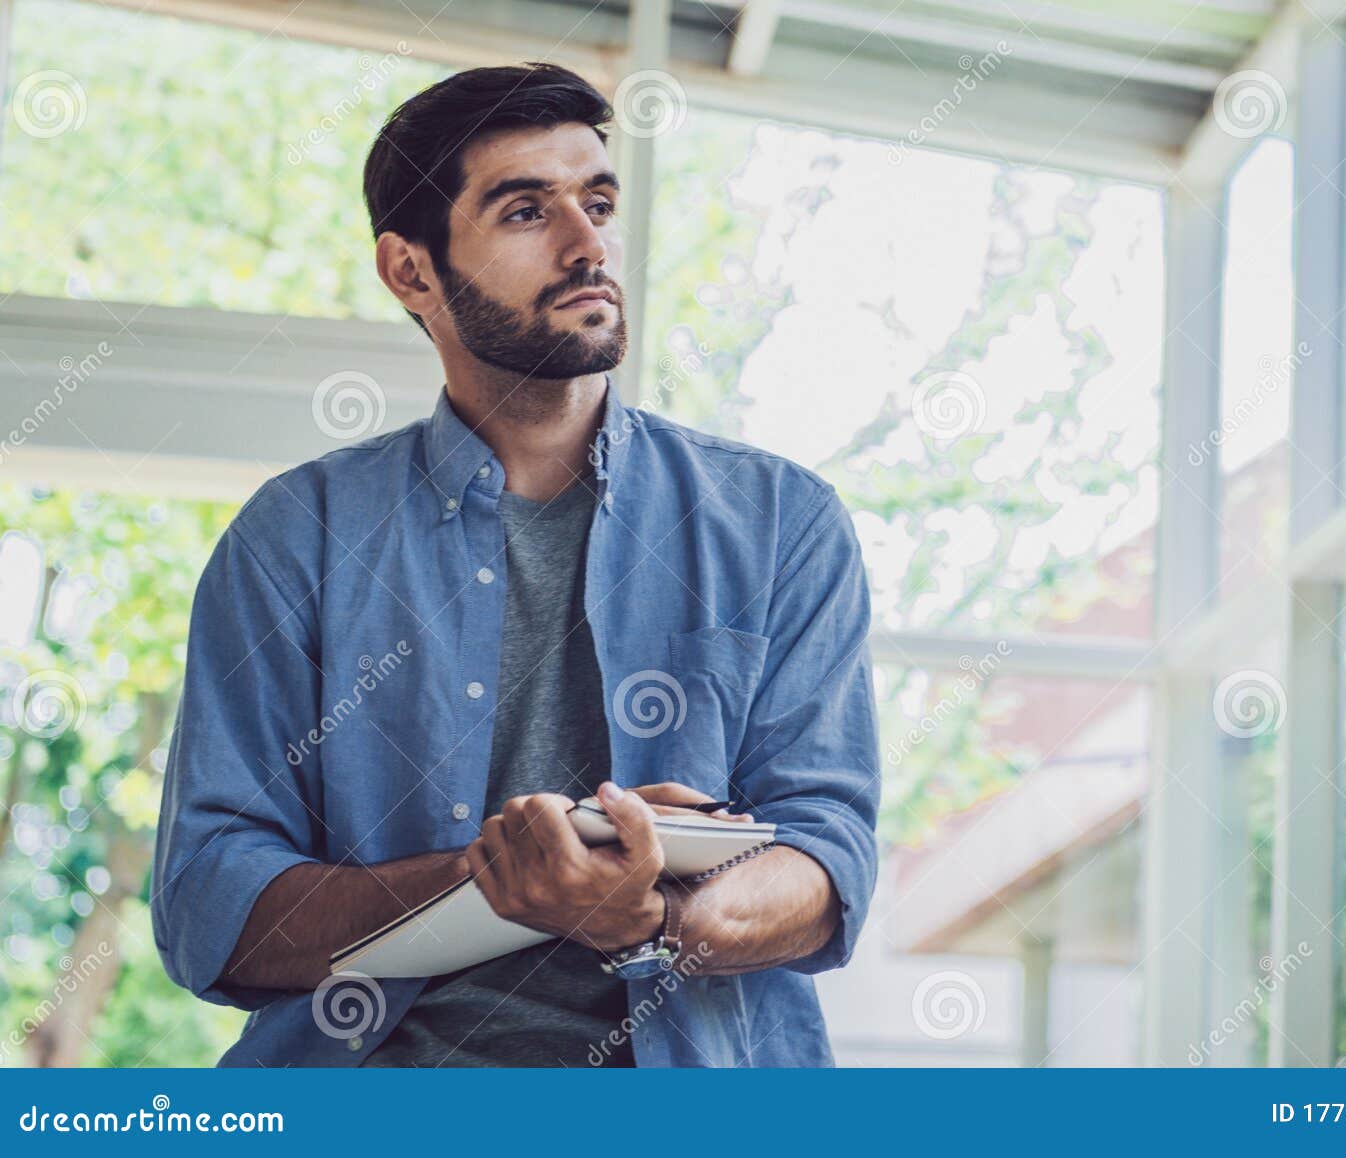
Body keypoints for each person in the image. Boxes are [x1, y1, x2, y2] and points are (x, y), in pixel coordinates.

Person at [151, 61, 879, 1067]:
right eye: (527, 210)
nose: (589, 246)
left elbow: (827, 857)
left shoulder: (782, 523)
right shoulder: (293, 538)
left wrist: (643, 909)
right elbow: (209, 904)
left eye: (600, 202)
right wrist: (495, 879)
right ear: (411, 272)